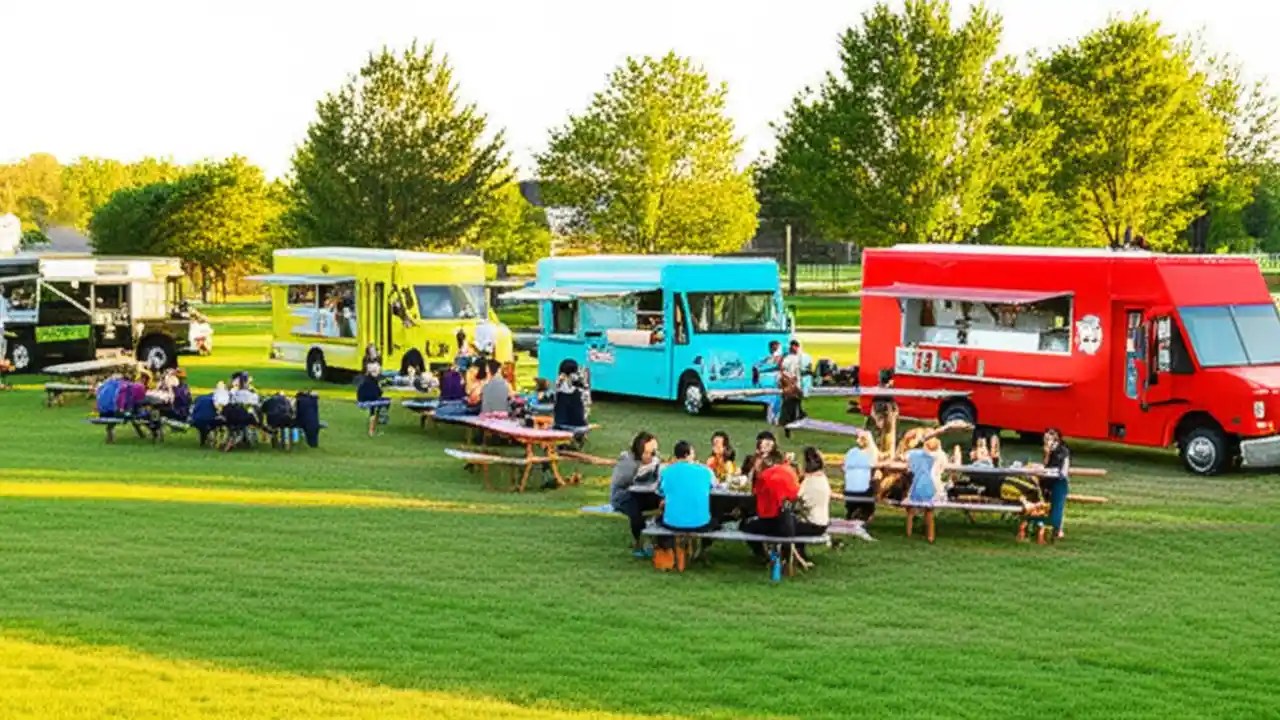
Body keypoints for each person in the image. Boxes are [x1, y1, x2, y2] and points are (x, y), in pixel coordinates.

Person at [656, 441, 717, 551]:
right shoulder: (705, 471)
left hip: (672, 523)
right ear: (687, 455)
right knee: (716, 519)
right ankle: (701, 549)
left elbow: (661, 491)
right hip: (701, 523)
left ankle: (667, 548)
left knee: (658, 518)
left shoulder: (666, 471)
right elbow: (714, 486)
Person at [741, 452, 801, 560]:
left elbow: (759, 501)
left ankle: (762, 555)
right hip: (790, 523)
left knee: (746, 527)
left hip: (775, 522)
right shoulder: (790, 472)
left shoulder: (765, 476)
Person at [610, 432, 661, 558]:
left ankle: (660, 539)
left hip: (647, 493)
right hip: (624, 495)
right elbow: (622, 484)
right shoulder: (628, 462)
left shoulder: (655, 461)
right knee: (635, 508)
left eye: (654, 451)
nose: (653, 455)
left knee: (666, 501)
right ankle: (639, 542)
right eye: (650, 452)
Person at [904, 437, 946, 543]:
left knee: (911, 508)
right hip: (934, 488)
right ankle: (930, 536)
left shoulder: (915, 454)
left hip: (917, 486)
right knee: (929, 511)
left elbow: (904, 458)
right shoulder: (940, 456)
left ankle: (909, 533)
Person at [794, 447, 832, 559]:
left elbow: (796, 498)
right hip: (823, 523)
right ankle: (799, 555)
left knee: (784, 525)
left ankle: (788, 557)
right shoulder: (822, 477)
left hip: (813, 525)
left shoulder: (809, 481)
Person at [1038, 428, 1071, 544]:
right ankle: (1045, 527)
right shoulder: (1048, 450)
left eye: (1048, 438)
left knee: (1057, 505)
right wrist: (1047, 454)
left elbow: (1059, 470)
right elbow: (1045, 465)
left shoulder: (1062, 450)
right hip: (1047, 481)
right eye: (1045, 438)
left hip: (1058, 481)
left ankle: (1055, 529)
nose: (1046, 441)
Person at [843, 432, 879, 522]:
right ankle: (862, 516)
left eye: (860, 439)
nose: (857, 441)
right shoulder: (870, 453)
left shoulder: (854, 452)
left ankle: (855, 514)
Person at [754, 340, 783, 424]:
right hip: (772, 382)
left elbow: (777, 367)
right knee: (773, 400)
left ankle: (774, 418)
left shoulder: (776, 357)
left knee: (774, 400)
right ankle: (774, 418)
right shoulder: (771, 357)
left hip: (774, 381)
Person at [356, 361, 385, 436]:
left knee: (375, 407)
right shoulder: (374, 381)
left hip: (361, 400)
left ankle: (372, 430)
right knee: (381, 404)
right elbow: (378, 393)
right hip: (370, 400)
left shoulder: (365, 380)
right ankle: (371, 430)